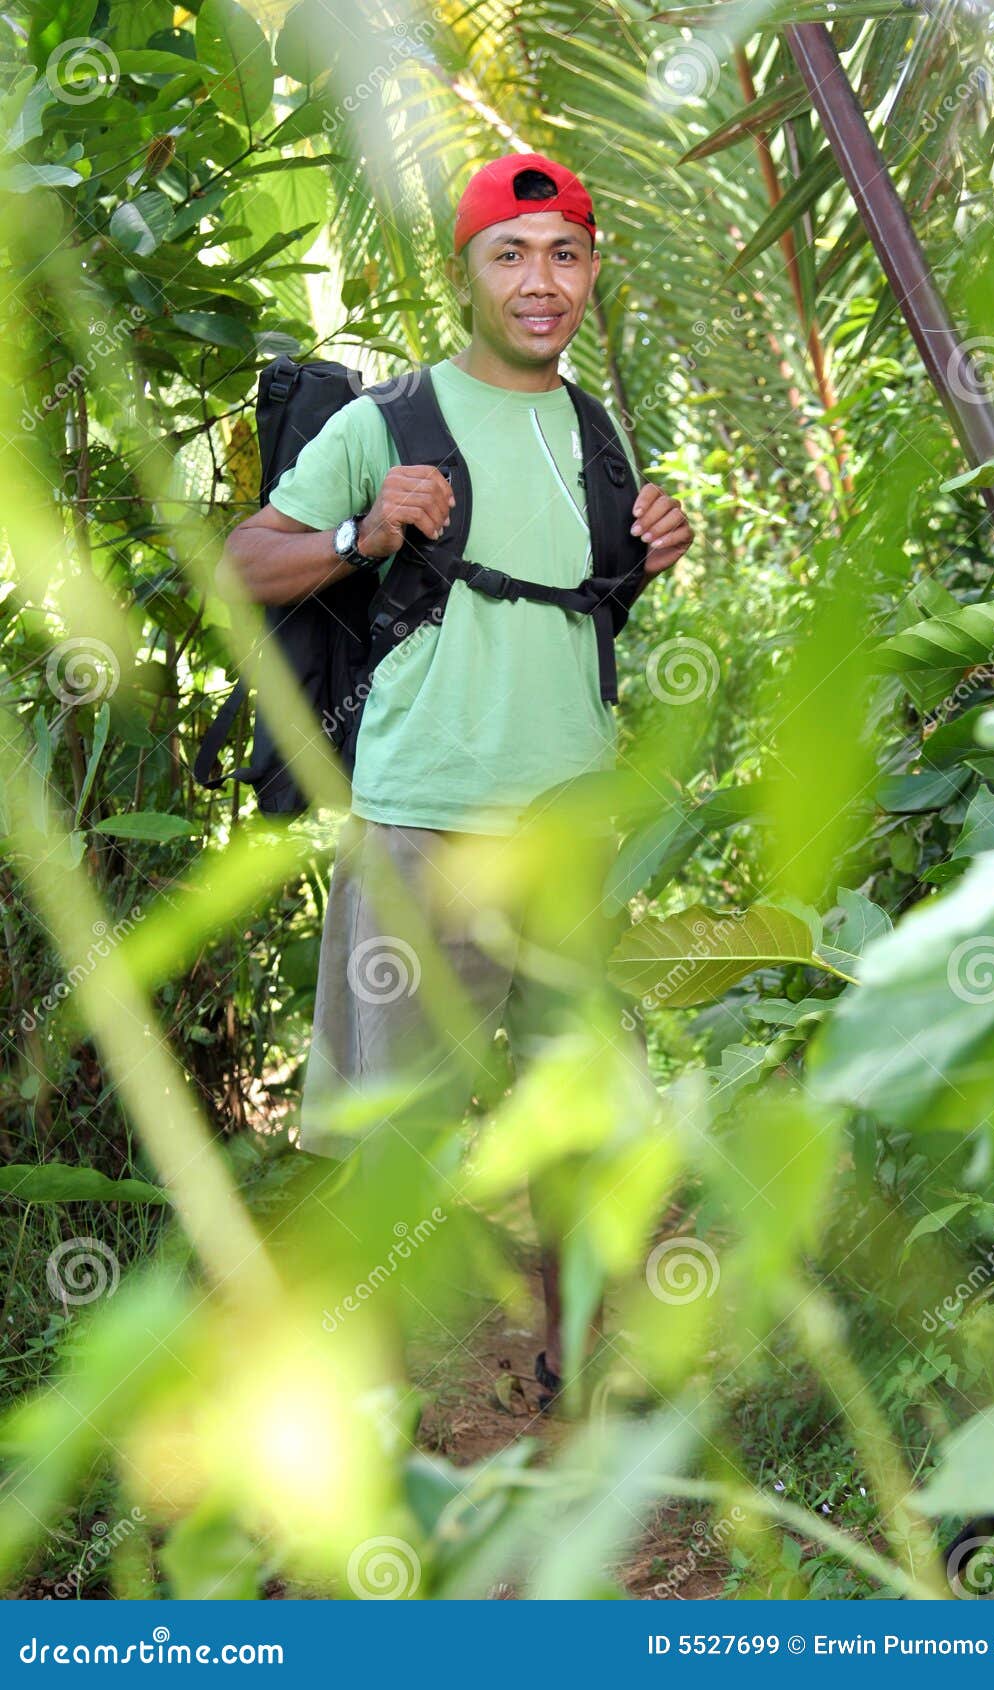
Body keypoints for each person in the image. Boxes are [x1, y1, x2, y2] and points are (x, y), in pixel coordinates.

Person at [219, 152, 694, 1400]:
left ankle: (572, 1370)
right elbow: (241, 563)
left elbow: (568, 609)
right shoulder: (387, 421)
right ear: (465, 273)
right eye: (510, 255)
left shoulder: (594, 430)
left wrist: (646, 552)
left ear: (589, 270)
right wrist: (359, 532)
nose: (540, 283)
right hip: (422, 827)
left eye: (564, 255)